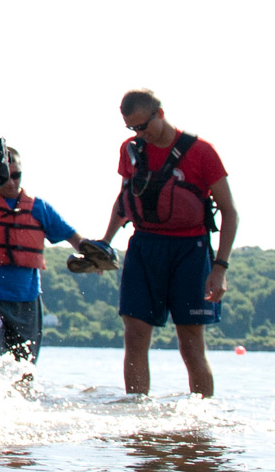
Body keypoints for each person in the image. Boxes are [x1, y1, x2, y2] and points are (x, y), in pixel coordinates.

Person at [97, 90, 239, 397]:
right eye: (132, 128)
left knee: (190, 343)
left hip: (190, 251)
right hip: (144, 247)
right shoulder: (130, 150)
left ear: (159, 114)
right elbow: (125, 200)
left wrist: (220, 268)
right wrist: (105, 243)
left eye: (143, 126)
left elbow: (230, 212)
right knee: (135, 336)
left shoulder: (202, 152)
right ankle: (136, 413)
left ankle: (201, 416)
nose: (139, 133)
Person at [0, 147, 95, 364]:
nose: (11, 182)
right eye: (5, 176)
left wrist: (95, 258)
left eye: (16, 175)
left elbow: (75, 239)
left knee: (25, 365)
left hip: (26, 299)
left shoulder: (39, 208)